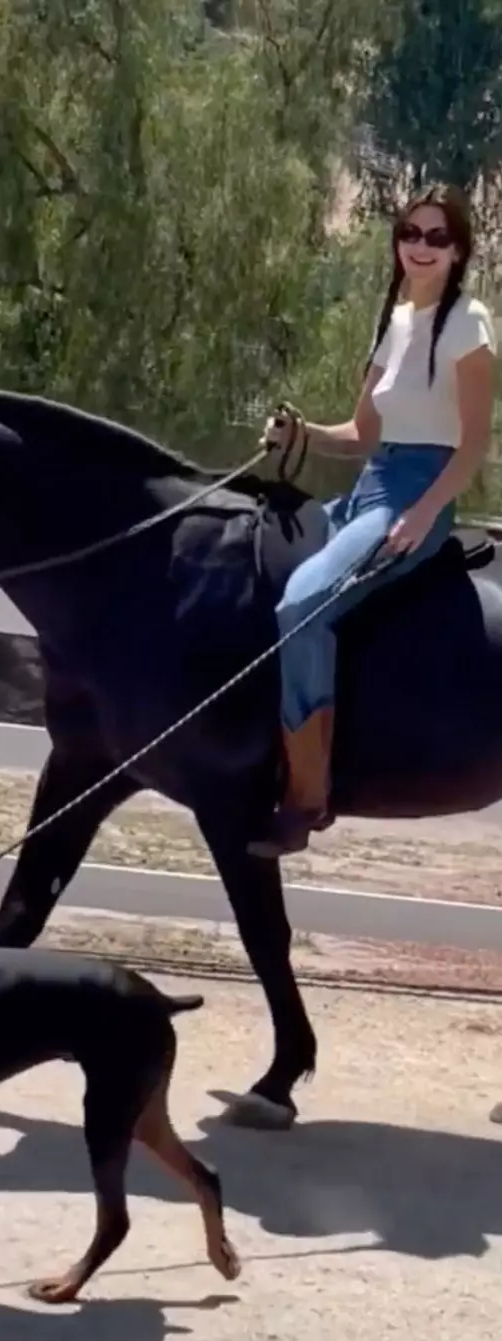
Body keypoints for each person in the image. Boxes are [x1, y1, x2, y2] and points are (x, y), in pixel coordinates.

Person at [249, 182, 497, 859]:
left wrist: (421, 515)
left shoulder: (468, 323)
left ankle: (306, 796)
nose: (420, 247)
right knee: (255, 569)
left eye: (436, 237)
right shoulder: (396, 321)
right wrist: (300, 434)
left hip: (417, 493)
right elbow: (360, 434)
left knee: (302, 603)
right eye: (410, 234)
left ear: (457, 252)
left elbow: (473, 442)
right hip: (370, 485)